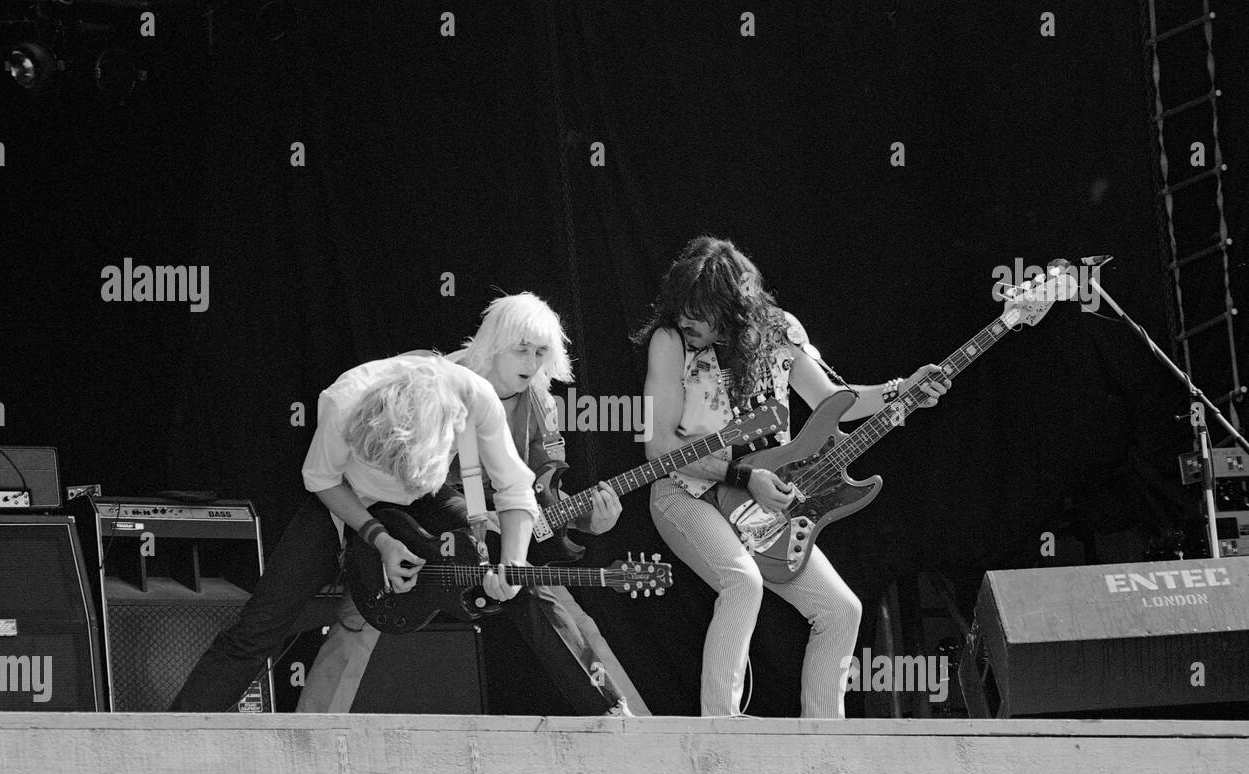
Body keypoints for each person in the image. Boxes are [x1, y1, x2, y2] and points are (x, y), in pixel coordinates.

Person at [636, 236, 951, 717]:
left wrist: (902, 389)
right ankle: (718, 733)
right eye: (680, 308)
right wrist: (744, 475)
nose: (684, 320)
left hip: (755, 504)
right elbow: (659, 449)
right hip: (685, 493)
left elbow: (835, 402)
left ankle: (822, 750)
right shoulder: (670, 341)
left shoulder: (781, 333)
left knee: (841, 610)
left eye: (697, 311)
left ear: (731, 308)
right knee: (742, 581)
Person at [170, 352, 589, 712]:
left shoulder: (473, 396)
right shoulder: (341, 401)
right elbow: (321, 480)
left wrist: (511, 563)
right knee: (261, 623)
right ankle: (170, 736)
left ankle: (605, 708)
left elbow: (515, 488)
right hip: (346, 494)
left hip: (426, 491)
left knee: (511, 567)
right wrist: (378, 537)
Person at [296, 292, 648, 715]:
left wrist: (590, 522)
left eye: (541, 353)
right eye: (523, 351)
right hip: (418, 523)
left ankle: (628, 724)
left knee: (564, 613)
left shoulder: (538, 402)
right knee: (360, 618)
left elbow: (538, 488)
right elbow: (407, 474)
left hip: (495, 538)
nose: (532, 364)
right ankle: (311, 733)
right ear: (494, 343)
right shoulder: (443, 376)